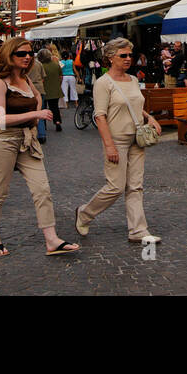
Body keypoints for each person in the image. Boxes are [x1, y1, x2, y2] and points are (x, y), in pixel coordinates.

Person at [0, 37, 79, 257]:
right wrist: (35, 114)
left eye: (30, 53)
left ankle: (51, 239)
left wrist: (36, 115)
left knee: (42, 188)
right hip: (2, 140)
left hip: (27, 140)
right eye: (21, 54)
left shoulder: (26, 80)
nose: (27, 57)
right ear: (8, 56)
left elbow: (36, 98)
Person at [75, 37, 161, 245]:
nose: (128, 59)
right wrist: (109, 145)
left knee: (135, 186)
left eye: (130, 55)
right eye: (123, 55)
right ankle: (85, 214)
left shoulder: (132, 80)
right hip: (117, 140)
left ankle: (138, 230)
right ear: (110, 58)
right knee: (115, 187)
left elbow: (133, 105)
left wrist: (150, 118)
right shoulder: (104, 83)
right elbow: (100, 116)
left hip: (137, 138)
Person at [38, 48, 64, 132]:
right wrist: (58, 84)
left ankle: (43, 126)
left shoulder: (40, 66)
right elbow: (61, 77)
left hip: (43, 90)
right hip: (55, 89)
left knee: (43, 108)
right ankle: (57, 122)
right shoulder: (56, 65)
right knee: (55, 107)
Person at [28, 47, 48, 143]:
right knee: (40, 111)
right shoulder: (39, 64)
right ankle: (42, 134)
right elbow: (43, 77)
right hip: (40, 88)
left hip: (29, 89)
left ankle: (33, 133)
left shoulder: (26, 64)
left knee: (31, 112)